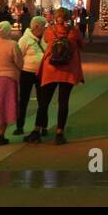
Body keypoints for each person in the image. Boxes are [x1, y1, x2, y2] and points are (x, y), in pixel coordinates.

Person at [31, 8, 85, 144]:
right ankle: (59, 133)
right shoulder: (74, 31)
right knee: (63, 102)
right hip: (68, 70)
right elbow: (81, 45)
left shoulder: (50, 30)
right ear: (68, 17)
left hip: (51, 69)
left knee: (44, 102)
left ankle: (36, 131)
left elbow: (46, 40)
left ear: (55, 17)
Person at [15, 15, 48, 138]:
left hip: (42, 73)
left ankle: (43, 126)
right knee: (23, 100)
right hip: (27, 72)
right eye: (44, 26)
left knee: (43, 100)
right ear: (36, 26)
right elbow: (19, 56)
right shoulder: (25, 39)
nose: (46, 29)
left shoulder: (45, 38)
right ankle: (20, 126)